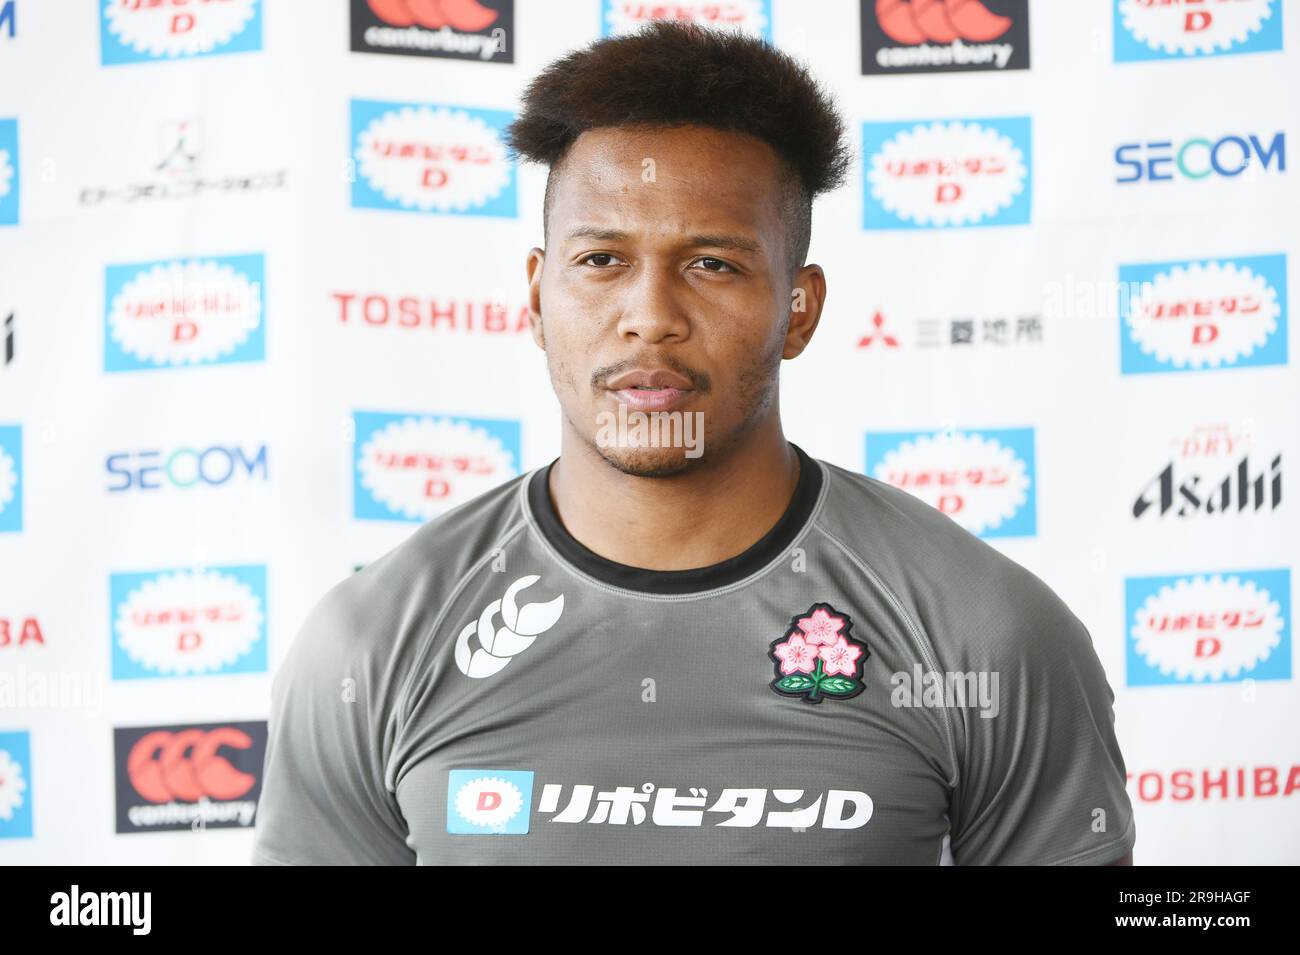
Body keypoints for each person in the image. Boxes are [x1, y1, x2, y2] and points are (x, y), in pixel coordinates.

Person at [251, 21, 1135, 865]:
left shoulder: (983, 634)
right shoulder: (372, 645)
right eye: (601, 261)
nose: (650, 319)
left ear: (801, 308)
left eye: (712, 264)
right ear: (535, 295)